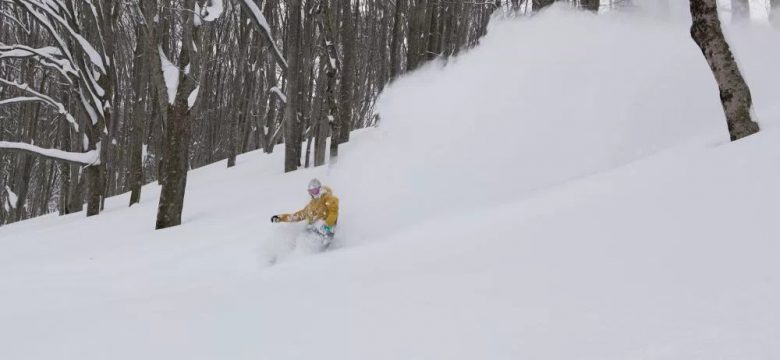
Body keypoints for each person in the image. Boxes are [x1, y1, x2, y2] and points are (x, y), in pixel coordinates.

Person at [271, 178, 339, 245]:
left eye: (315, 191)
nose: (314, 193)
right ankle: (291, 251)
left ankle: (315, 248)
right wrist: (280, 218)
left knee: (314, 233)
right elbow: (297, 216)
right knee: (301, 237)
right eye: (311, 192)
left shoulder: (327, 197)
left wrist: (327, 225)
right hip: (314, 230)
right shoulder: (311, 205)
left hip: (327, 228)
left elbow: (334, 212)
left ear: (320, 189)